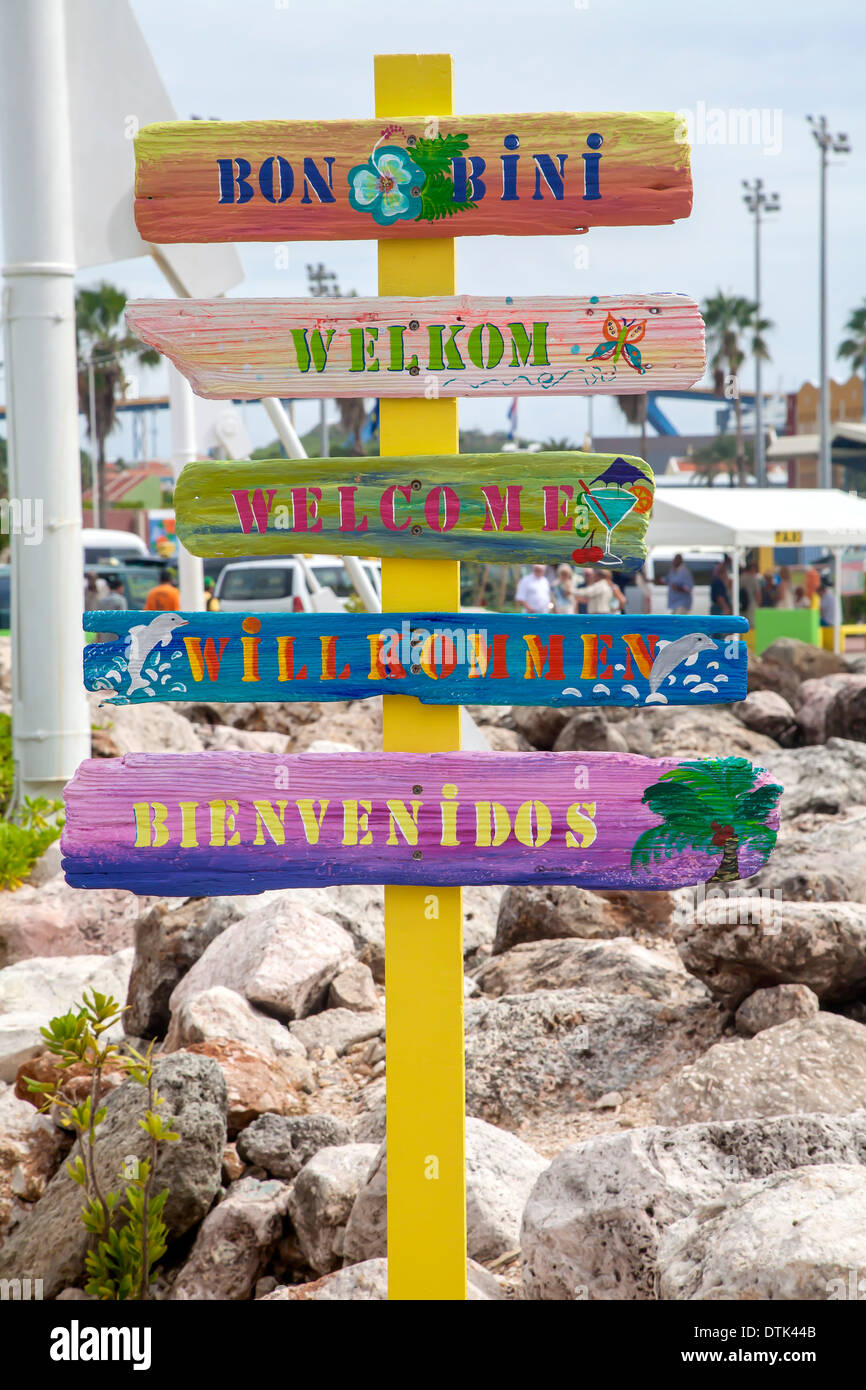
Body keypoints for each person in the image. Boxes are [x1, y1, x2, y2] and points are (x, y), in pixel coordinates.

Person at [94, 574, 128, 643]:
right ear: (120, 587)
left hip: (104, 633)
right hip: (116, 634)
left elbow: (98, 619)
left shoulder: (101, 600)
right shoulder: (121, 600)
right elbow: (123, 617)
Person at [739, 558, 763, 623]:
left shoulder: (741, 577)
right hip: (752, 606)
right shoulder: (754, 578)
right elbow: (758, 593)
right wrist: (759, 605)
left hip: (742, 606)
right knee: (752, 625)